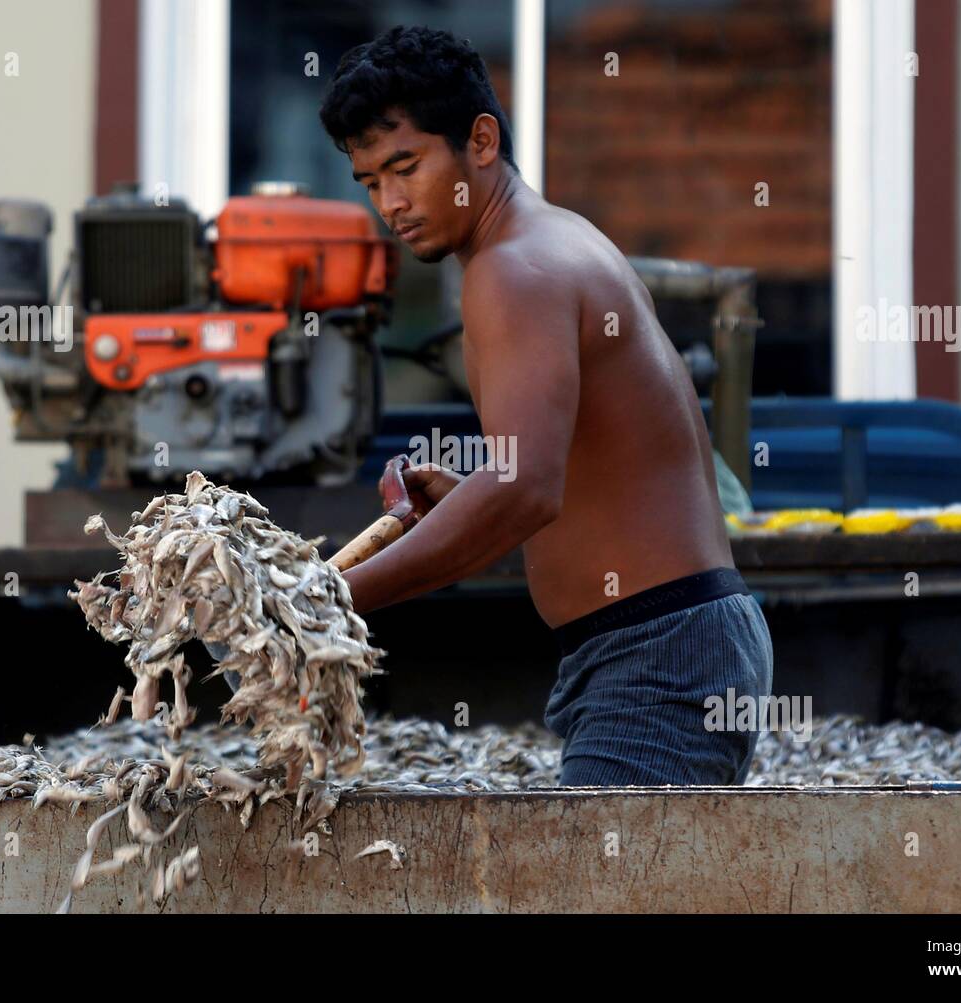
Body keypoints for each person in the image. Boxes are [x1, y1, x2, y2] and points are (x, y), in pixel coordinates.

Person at [318, 25, 773, 786]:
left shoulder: (512, 271)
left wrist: (325, 604)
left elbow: (526, 488)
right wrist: (470, 498)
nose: (390, 204)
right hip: (665, 639)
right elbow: (554, 484)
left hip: (658, 654)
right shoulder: (555, 239)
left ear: (482, 142)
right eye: (370, 182)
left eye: (406, 167)